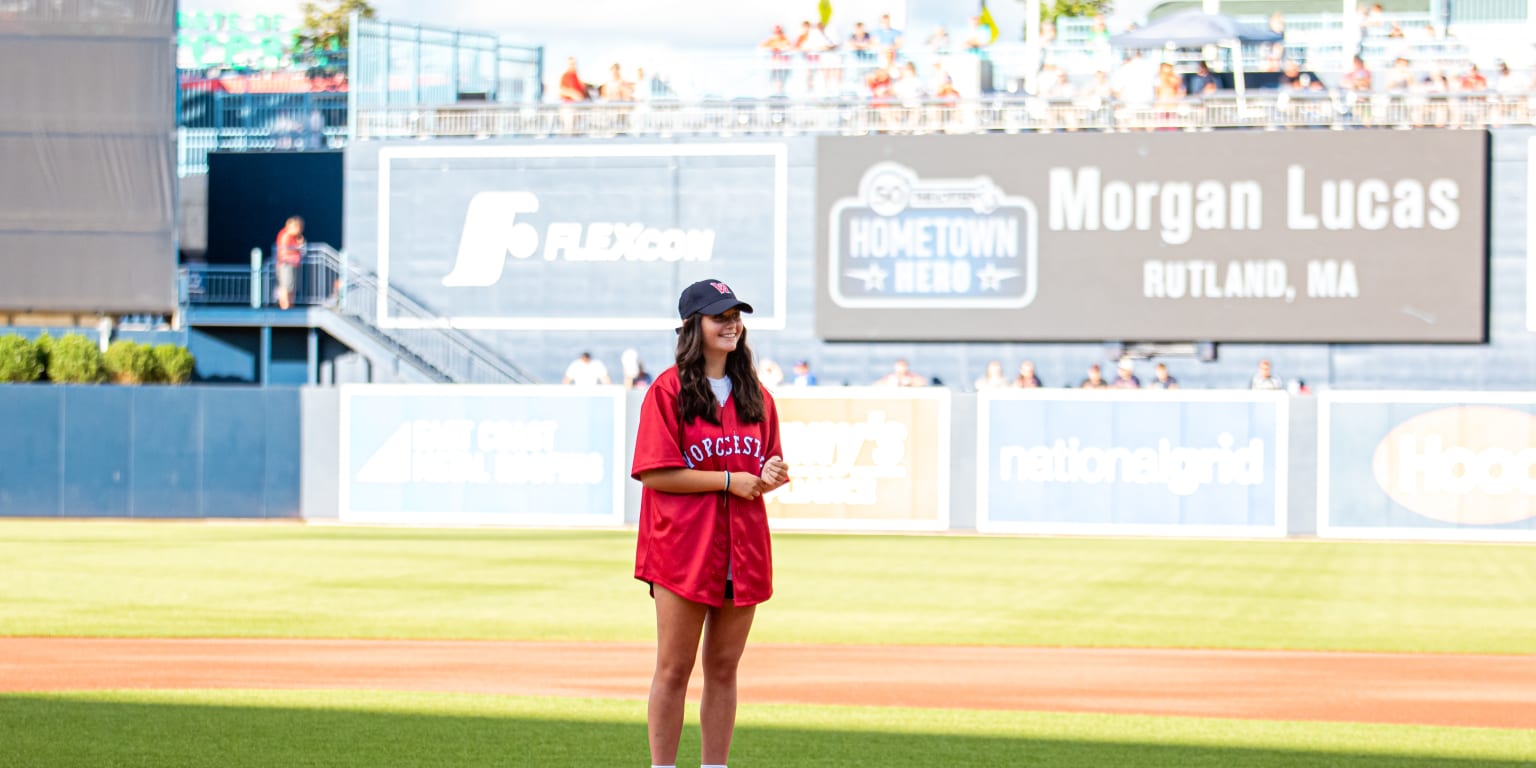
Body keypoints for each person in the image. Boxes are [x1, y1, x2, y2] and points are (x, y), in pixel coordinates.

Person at [631, 278, 789, 768]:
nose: (731, 324)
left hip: (743, 548)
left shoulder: (756, 396)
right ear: (692, 326)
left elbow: (765, 468)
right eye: (720, 317)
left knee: (723, 670)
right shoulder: (668, 390)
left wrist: (767, 476)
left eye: (735, 316)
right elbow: (655, 473)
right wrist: (727, 481)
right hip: (682, 549)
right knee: (673, 669)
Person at [274, 216, 305, 310]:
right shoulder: (286, 235)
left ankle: (289, 305)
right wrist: (297, 248)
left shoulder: (293, 237)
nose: (300, 230)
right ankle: (285, 306)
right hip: (286, 264)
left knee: (291, 287)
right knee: (285, 286)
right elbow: (284, 251)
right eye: (299, 227)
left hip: (291, 264)